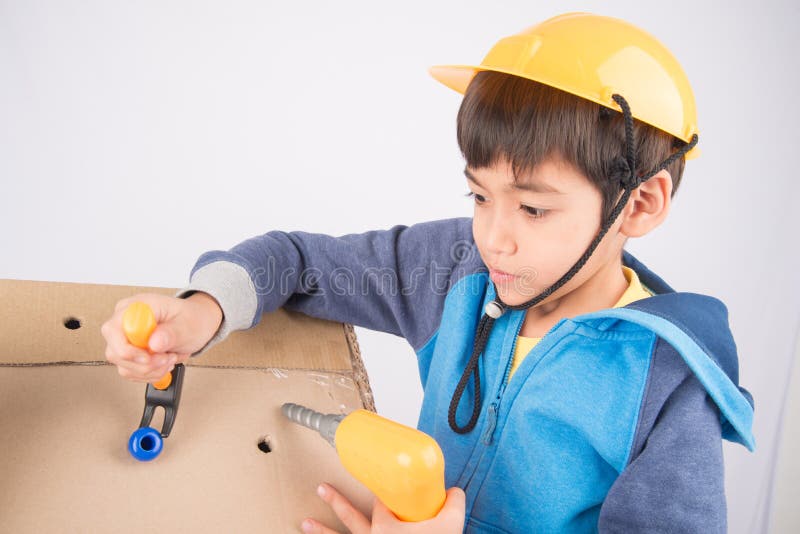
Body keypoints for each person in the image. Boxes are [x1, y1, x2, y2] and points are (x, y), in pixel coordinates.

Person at [102, 12, 755, 533]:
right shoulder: (452, 272)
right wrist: (203, 310)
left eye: (532, 207)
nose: (492, 238)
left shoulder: (667, 388)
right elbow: (297, 263)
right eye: (479, 196)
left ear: (639, 203)